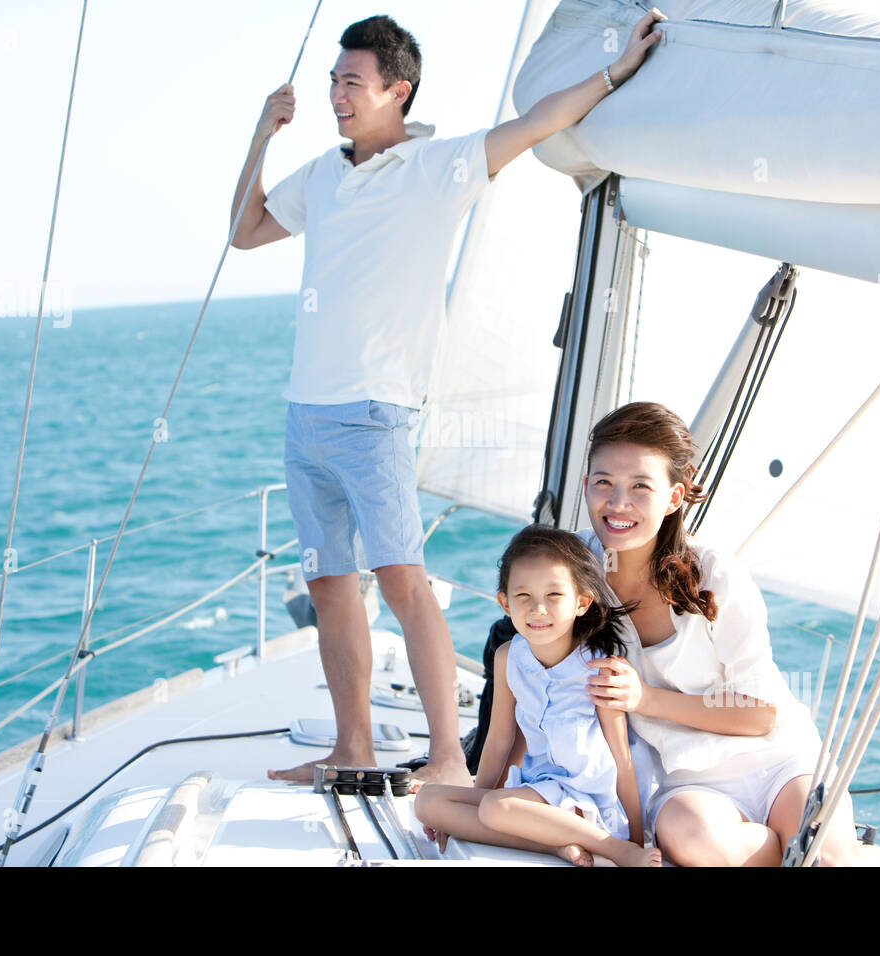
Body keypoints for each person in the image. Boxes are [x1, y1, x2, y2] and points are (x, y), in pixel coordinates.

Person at [227, 10, 668, 787]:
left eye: (352, 82)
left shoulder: (436, 168)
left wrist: (614, 72)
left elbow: (535, 123)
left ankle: (444, 760)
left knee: (402, 581)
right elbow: (245, 230)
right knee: (329, 586)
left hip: (376, 414)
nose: (337, 95)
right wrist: (262, 136)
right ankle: (352, 746)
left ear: (398, 91)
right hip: (306, 415)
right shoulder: (323, 175)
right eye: (333, 80)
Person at [578, 401, 880, 865]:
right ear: (586, 485)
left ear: (674, 498)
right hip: (688, 782)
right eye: (604, 483)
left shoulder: (714, 574)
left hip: (779, 760)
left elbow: (760, 715)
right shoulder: (573, 570)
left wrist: (645, 699)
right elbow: (528, 646)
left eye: (641, 486)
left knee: (824, 857)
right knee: (700, 842)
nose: (618, 503)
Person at [414, 525, 661, 867]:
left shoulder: (598, 667)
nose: (538, 609)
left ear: (581, 602)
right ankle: (553, 846)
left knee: (496, 808)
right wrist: (471, 802)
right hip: (536, 791)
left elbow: (623, 758)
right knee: (427, 801)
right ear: (505, 603)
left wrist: (635, 839)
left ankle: (610, 847)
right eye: (523, 596)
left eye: (554, 595)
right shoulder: (508, 658)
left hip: (585, 802)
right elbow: (499, 741)